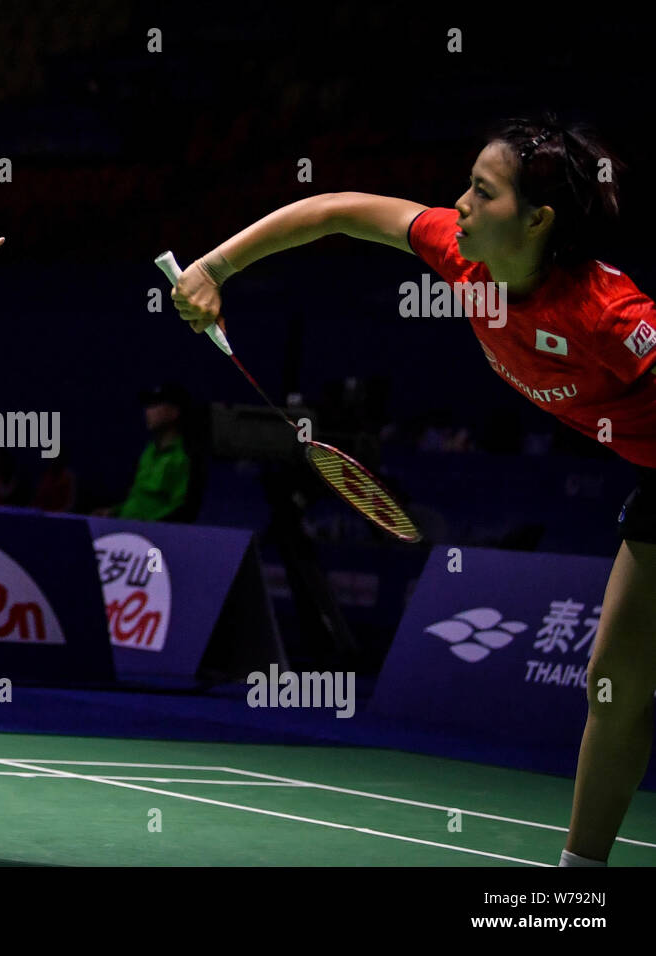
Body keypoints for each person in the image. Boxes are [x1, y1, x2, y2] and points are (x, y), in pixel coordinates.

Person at [169, 115, 656, 866]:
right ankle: (579, 882)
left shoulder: (606, 314)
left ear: (537, 219)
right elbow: (335, 209)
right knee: (614, 683)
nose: (457, 203)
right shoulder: (462, 260)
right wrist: (216, 267)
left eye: (481, 192)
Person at [95, 383, 203, 522]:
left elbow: (182, 510)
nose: (147, 411)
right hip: (126, 529)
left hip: (153, 536)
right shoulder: (149, 451)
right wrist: (115, 512)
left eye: (155, 405)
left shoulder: (186, 456)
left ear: (174, 412)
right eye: (148, 405)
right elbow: (140, 501)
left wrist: (146, 527)